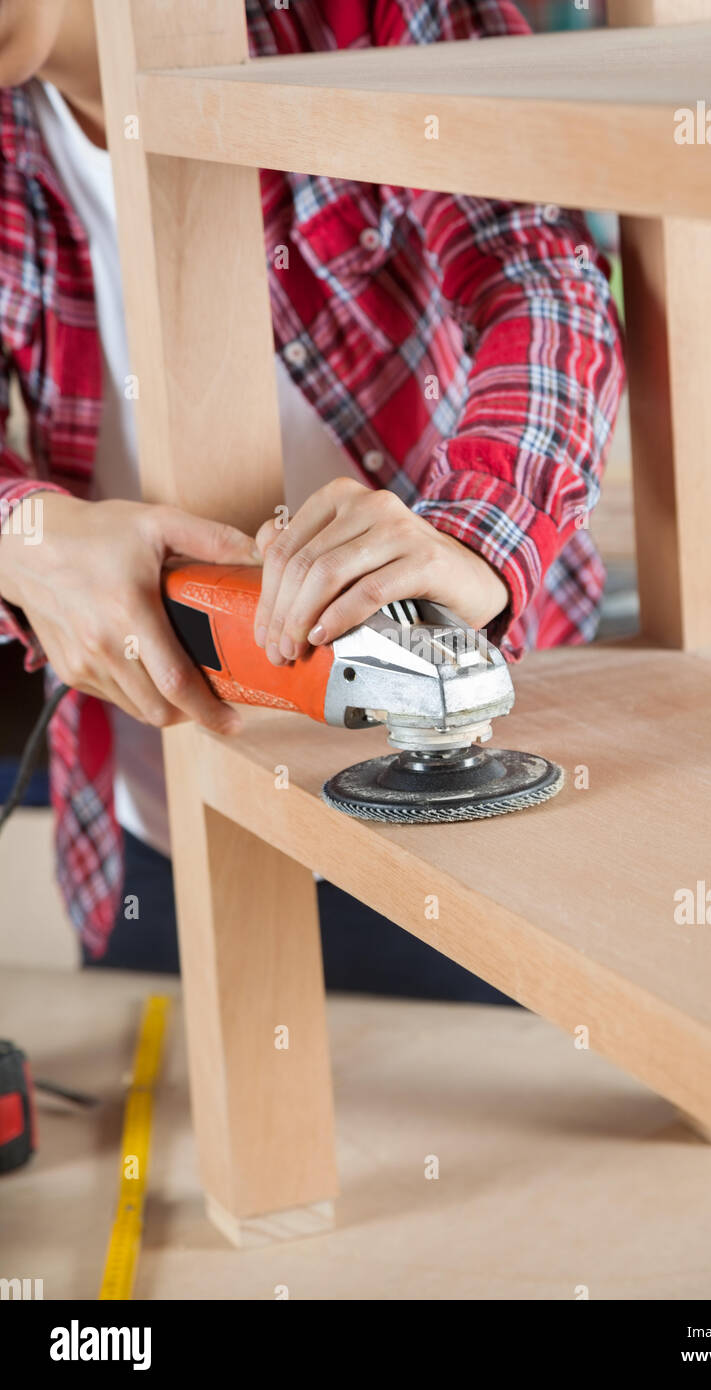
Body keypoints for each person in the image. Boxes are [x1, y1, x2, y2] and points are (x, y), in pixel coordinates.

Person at [0, 0, 624, 997]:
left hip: (484, 822)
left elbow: (535, 269)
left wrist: (473, 538)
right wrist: (22, 538)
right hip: (156, 842)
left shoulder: (356, 15)